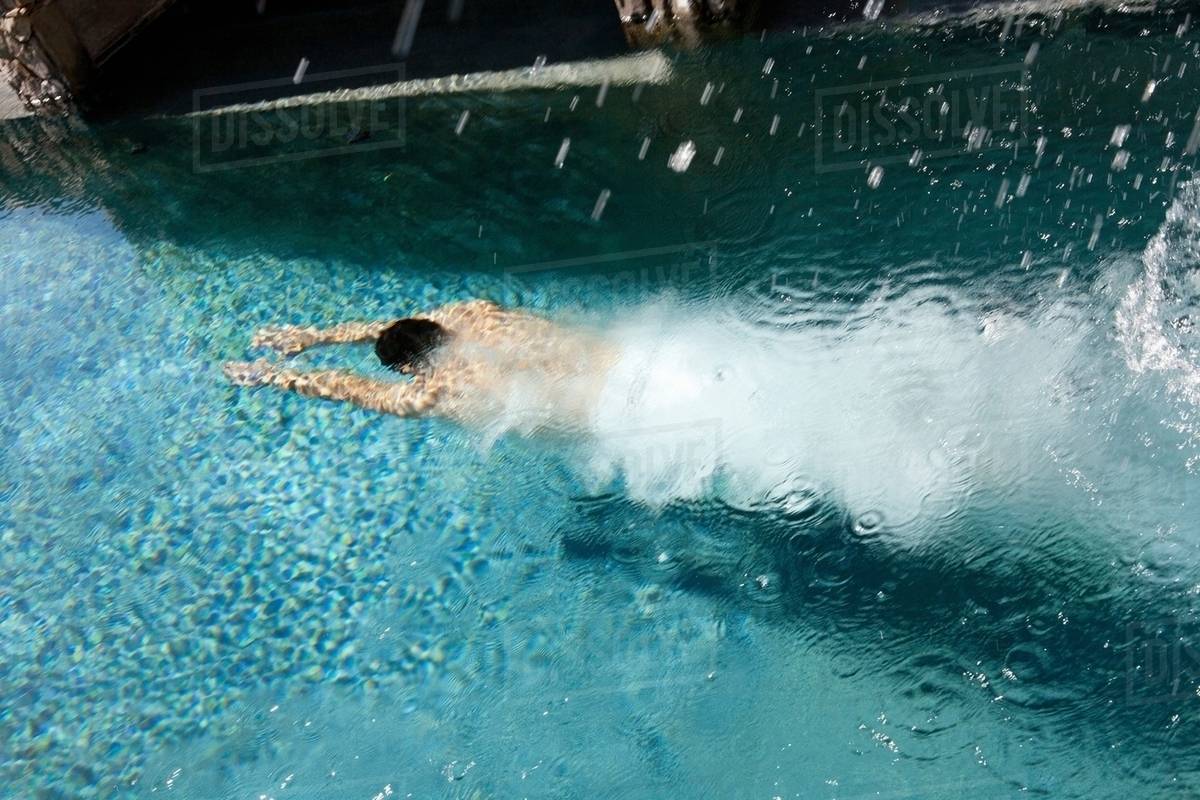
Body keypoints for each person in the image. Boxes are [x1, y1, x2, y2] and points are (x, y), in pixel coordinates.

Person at [223, 300, 617, 433]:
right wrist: (317, 336)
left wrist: (272, 375)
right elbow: (396, 329)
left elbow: (351, 388)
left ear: (409, 370)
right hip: (614, 364)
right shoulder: (476, 313)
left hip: (593, 419)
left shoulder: (429, 392)